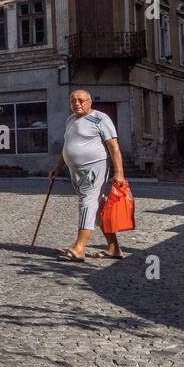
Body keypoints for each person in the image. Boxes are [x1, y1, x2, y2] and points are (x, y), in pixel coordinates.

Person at [50, 90, 126, 262]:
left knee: (87, 203)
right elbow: (66, 145)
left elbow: (114, 147)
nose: (77, 103)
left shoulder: (100, 118)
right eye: (73, 101)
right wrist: (58, 167)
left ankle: (79, 248)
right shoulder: (70, 120)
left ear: (90, 102)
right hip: (75, 171)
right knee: (98, 208)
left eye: (81, 100)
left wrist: (119, 172)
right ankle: (114, 248)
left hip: (95, 168)